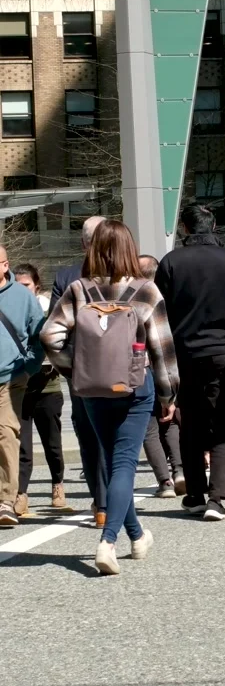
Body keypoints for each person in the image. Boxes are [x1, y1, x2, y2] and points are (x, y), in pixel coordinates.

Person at [41, 220, 179, 575]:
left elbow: (49, 337)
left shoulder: (78, 290)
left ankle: (137, 535)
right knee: (124, 466)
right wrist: (168, 394)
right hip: (135, 388)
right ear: (129, 250)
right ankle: (108, 541)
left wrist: (74, 369)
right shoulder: (146, 291)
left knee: (112, 460)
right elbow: (162, 350)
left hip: (91, 390)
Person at [156, 204, 225, 521]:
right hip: (223, 352)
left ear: (185, 228)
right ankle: (218, 498)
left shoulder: (171, 262)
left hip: (184, 353)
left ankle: (196, 494)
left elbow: (158, 314)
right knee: (223, 424)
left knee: (190, 425)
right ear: (213, 227)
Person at [49, 215, 107, 527]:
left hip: (82, 372)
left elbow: (53, 334)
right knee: (118, 436)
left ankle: (101, 503)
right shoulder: (128, 276)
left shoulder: (67, 277)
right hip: (123, 370)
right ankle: (114, 502)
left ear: (83, 243)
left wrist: (69, 369)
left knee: (89, 436)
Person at [13, 264, 66, 516]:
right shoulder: (11, 307)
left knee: (52, 443)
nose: (22, 290)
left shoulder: (49, 309)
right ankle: (21, 494)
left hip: (48, 385)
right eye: (18, 285)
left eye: (26, 285)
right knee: (22, 444)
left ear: (37, 286)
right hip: (20, 386)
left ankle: (58, 484)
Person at [0, 245, 44, 527]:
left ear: (5, 265)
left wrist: (29, 366)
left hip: (11, 376)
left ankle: (5, 500)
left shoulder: (21, 296)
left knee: (5, 433)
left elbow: (39, 335)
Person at [138, 254, 185, 498]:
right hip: (167, 367)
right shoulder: (167, 298)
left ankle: (165, 482)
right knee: (170, 420)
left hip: (141, 369)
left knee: (150, 429)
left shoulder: (135, 297)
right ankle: (179, 471)